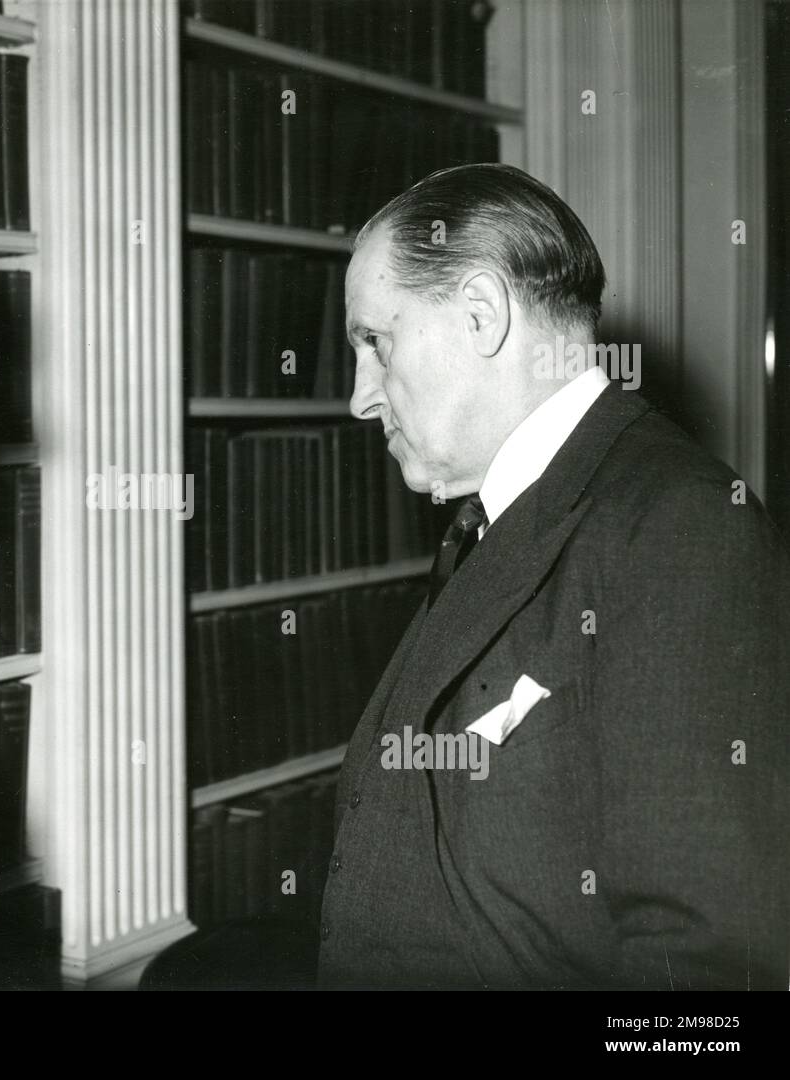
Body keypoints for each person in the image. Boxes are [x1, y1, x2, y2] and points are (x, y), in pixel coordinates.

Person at [319, 163, 790, 990]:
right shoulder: (492, 519)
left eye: (375, 343)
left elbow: (711, 964)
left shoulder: (682, 527)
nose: (360, 397)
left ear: (481, 314)